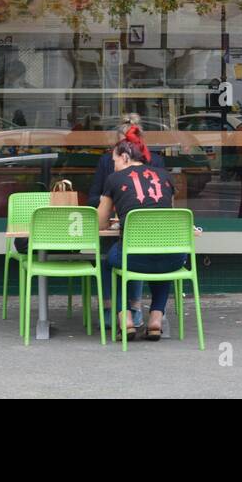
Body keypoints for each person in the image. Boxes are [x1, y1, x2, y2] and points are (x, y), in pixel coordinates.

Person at [97, 131, 184, 341]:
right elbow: (168, 217)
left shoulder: (114, 178)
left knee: (109, 262)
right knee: (163, 254)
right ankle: (155, 319)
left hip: (132, 258)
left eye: (115, 160)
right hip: (174, 257)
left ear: (125, 157)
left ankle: (125, 318)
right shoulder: (165, 175)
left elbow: (100, 222)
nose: (113, 165)